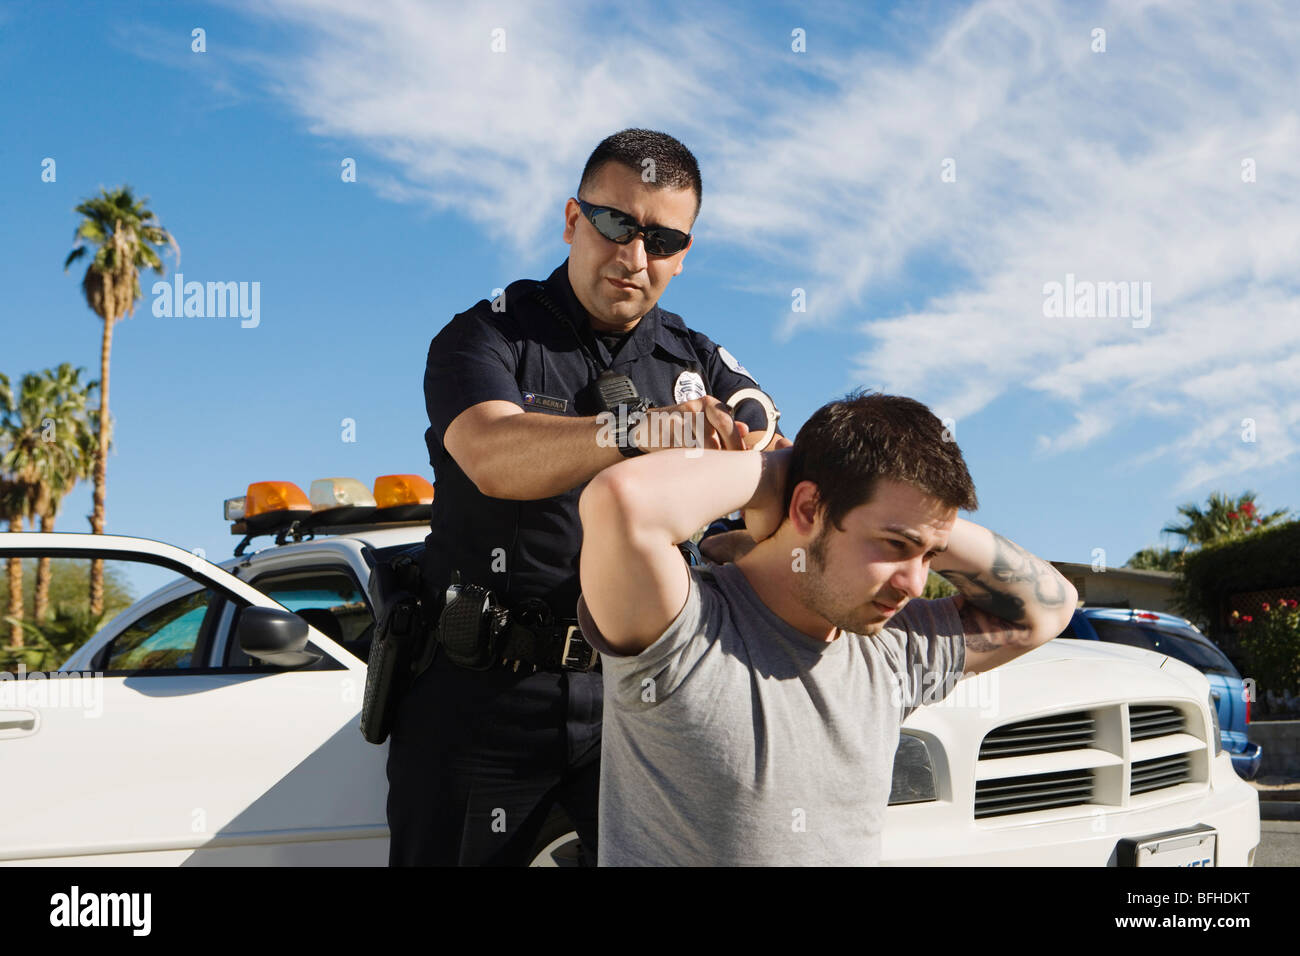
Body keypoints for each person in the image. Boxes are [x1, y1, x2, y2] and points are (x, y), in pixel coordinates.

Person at [387, 128, 787, 866]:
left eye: (663, 239)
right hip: (485, 701)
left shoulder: (695, 357)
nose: (636, 257)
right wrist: (640, 430)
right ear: (574, 220)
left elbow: (767, 444)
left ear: (684, 251)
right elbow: (491, 456)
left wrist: (742, 530)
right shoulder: (487, 336)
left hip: (641, 700)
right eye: (617, 225)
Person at [575, 390, 1079, 865]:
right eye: (895, 545)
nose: (916, 584)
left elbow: (1050, 607)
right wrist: (779, 469)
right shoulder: (686, 627)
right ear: (809, 508)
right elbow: (619, 500)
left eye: (931, 555)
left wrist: (921, 520)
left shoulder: (892, 649)